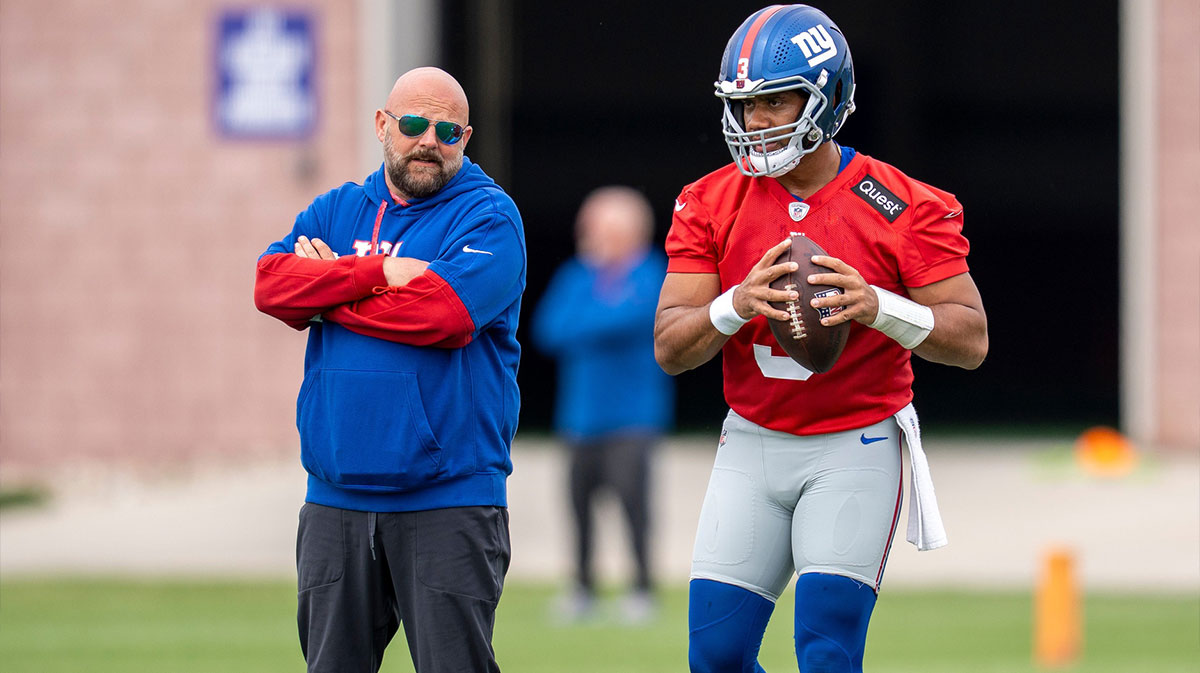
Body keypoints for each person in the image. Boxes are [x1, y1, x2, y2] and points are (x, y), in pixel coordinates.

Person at [653, 6, 988, 673]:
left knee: (827, 652)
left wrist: (877, 306)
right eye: (745, 105)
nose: (756, 122)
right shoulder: (709, 200)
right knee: (715, 656)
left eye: (775, 102)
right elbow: (670, 345)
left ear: (828, 99)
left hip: (855, 442)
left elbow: (970, 338)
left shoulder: (900, 202)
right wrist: (735, 303)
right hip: (752, 439)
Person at [254, 67, 525, 673]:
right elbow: (270, 286)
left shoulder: (488, 218)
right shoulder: (337, 209)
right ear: (382, 125)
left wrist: (324, 292)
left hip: (448, 498)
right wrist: (374, 274)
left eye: (447, 130)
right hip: (335, 501)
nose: (429, 139)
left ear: (466, 137)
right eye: (412, 124)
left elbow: (444, 315)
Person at [532, 187, 674, 623]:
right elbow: (547, 329)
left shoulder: (652, 273)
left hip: (633, 417)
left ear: (626, 232)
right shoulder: (577, 275)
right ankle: (581, 587)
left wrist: (588, 321)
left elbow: (637, 316)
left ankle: (641, 588)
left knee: (635, 505)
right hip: (579, 418)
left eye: (595, 227)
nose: (585, 234)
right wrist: (600, 318)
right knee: (578, 507)